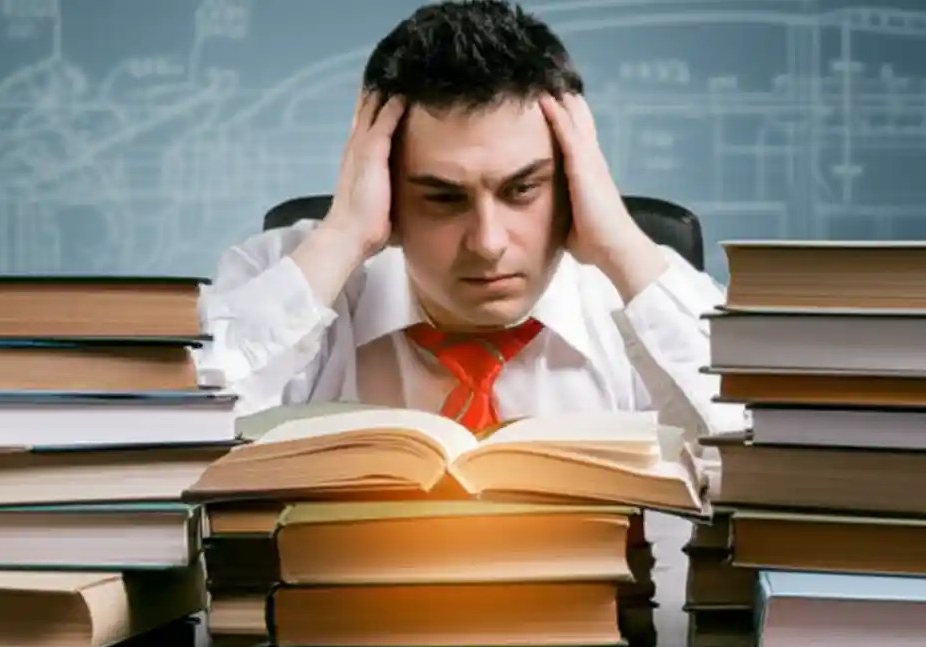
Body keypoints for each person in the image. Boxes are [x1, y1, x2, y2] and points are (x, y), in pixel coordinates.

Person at [196, 0, 747, 469]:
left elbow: (765, 456)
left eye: (522, 189)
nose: (487, 243)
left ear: (574, 182)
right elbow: (169, 452)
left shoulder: (636, 299)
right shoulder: (288, 277)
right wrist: (342, 238)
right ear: (384, 185)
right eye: (443, 197)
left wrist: (624, 249)